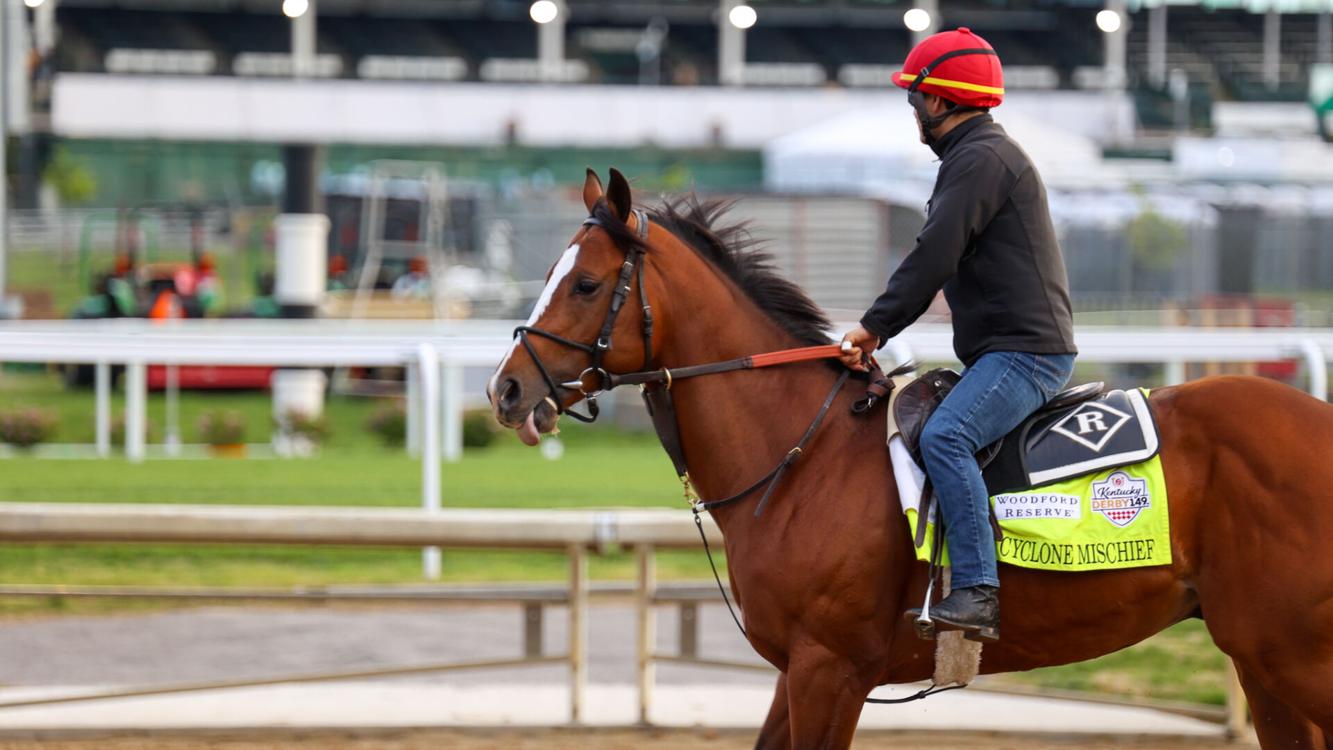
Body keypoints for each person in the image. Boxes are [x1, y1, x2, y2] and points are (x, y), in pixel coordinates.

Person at [839, 27, 1078, 642]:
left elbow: (933, 256)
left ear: (939, 101)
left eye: (914, 100)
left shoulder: (980, 160)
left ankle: (977, 590)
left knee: (947, 436)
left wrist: (872, 327)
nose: (912, 113)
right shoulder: (979, 157)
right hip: (1010, 350)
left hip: (1027, 356)